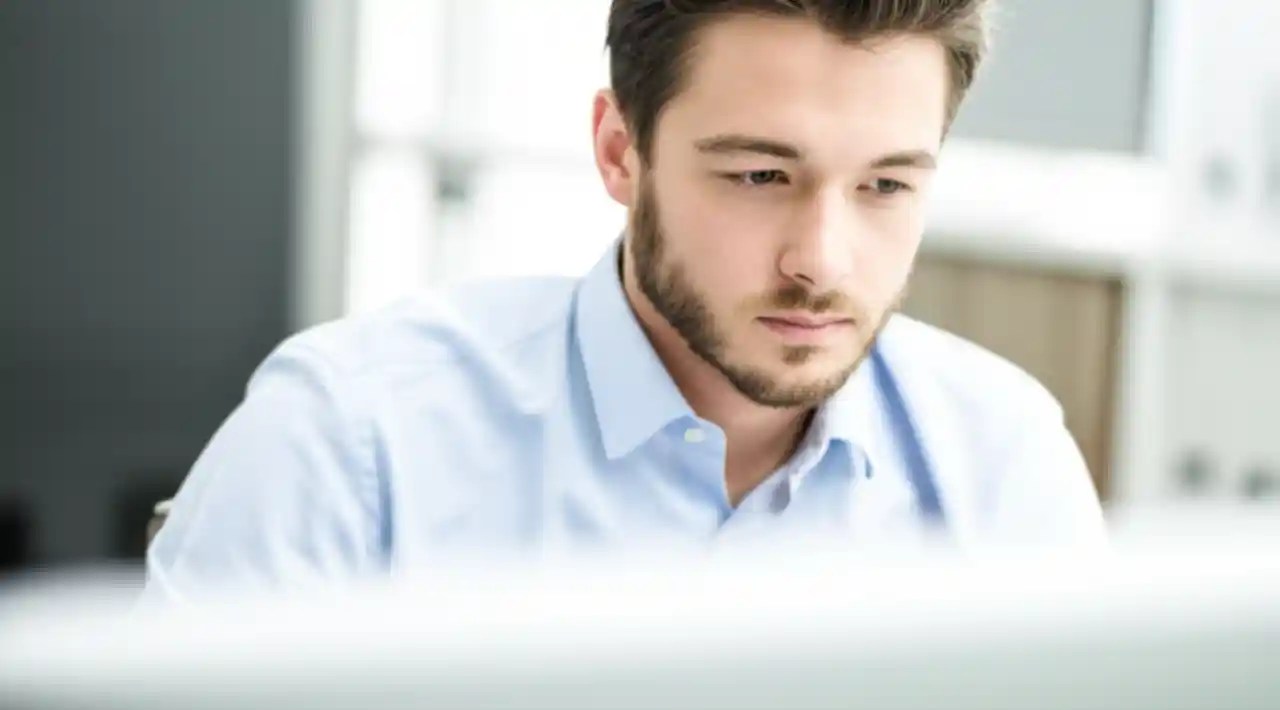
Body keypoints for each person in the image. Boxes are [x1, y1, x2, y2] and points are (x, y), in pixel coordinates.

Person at [146, 0, 1104, 601]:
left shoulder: (1003, 461)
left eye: (886, 187)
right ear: (619, 150)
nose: (823, 260)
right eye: (762, 175)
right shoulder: (350, 444)